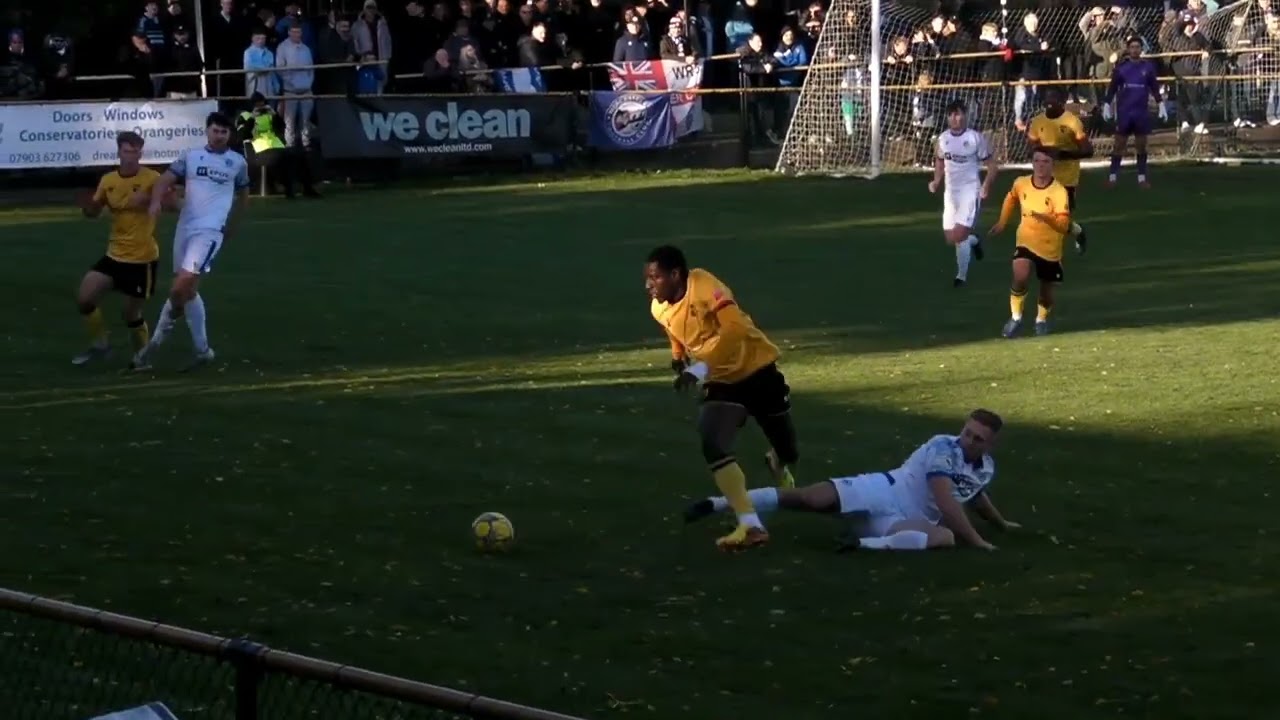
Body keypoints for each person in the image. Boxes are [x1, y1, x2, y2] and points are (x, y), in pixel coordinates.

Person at [645, 245, 801, 550]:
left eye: (655, 277)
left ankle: (777, 462)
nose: (648, 284)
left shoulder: (703, 285)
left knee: (788, 449)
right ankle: (750, 524)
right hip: (721, 381)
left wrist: (700, 367)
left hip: (758, 370)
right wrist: (678, 355)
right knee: (712, 440)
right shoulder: (658, 307)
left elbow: (735, 328)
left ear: (675, 275)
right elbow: (672, 327)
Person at [685, 410, 1018, 551]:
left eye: (977, 439)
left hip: (904, 521)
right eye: (967, 432)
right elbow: (946, 499)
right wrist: (977, 541)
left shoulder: (984, 467)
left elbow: (975, 495)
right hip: (883, 490)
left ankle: (860, 545)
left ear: (991, 444)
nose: (968, 441)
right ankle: (715, 504)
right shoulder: (943, 448)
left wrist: (1001, 524)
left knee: (944, 538)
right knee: (809, 499)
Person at [132, 112, 249, 372]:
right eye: (216, 131)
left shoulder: (237, 162)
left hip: (209, 233)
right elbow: (165, 179)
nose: (219, 136)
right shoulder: (191, 156)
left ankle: (152, 347)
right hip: (185, 228)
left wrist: (232, 226)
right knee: (188, 291)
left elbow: (244, 195)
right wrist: (154, 201)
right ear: (207, 131)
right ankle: (202, 350)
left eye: (224, 132)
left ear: (229, 135)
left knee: (178, 289)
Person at [73, 131, 174, 365]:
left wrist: (150, 199)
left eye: (136, 151)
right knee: (85, 300)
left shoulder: (152, 178)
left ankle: (143, 359)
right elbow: (94, 211)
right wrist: (89, 208)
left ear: (141, 153)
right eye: (127, 151)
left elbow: (172, 203)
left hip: (142, 259)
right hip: (114, 255)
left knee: (130, 315)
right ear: (119, 152)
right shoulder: (108, 180)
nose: (132, 156)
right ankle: (100, 347)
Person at [990, 148, 1072, 338]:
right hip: (1026, 240)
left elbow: (1063, 225)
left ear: (1052, 166)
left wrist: (1047, 218)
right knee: (1020, 274)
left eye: (1045, 162)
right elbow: (1010, 199)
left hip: (1050, 247)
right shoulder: (1021, 183)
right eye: (1037, 161)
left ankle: (1041, 320)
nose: (1041, 165)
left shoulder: (1059, 192)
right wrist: (1002, 222)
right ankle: (1016, 318)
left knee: (1046, 290)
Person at [928, 99, 998, 288]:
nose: (955, 118)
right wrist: (936, 181)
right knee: (951, 238)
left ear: (966, 115)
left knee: (959, 235)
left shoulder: (975, 138)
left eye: (958, 114)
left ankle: (961, 276)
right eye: (951, 115)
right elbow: (940, 161)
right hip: (950, 194)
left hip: (970, 192)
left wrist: (986, 186)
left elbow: (992, 165)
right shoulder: (942, 139)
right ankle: (974, 241)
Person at [1026, 88, 1091, 254]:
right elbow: (1031, 148)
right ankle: (1076, 232)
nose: (1049, 102)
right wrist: (1041, 153)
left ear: (1061, 101)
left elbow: (1088, 150)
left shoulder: (1072, 122)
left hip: (1067, 178)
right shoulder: (1037, 122)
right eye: (1047, 98)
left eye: (1053, 98)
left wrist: (1062, 154)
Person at [1102, 36, 1164, 188]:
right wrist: (1106, 104)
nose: (1135, 49)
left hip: (1141, 112)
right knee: (1119, 145)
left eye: (1138, 47)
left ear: (1141, 49)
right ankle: (1112, 177)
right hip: (1125, 112)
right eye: (1132, 47)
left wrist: (1160, 103)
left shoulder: (1148, 67)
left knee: (1141, 145)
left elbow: (1154, 87)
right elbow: (1112, 87)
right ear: (1128, 49)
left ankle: (1142, 178)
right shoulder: (1121, 68)